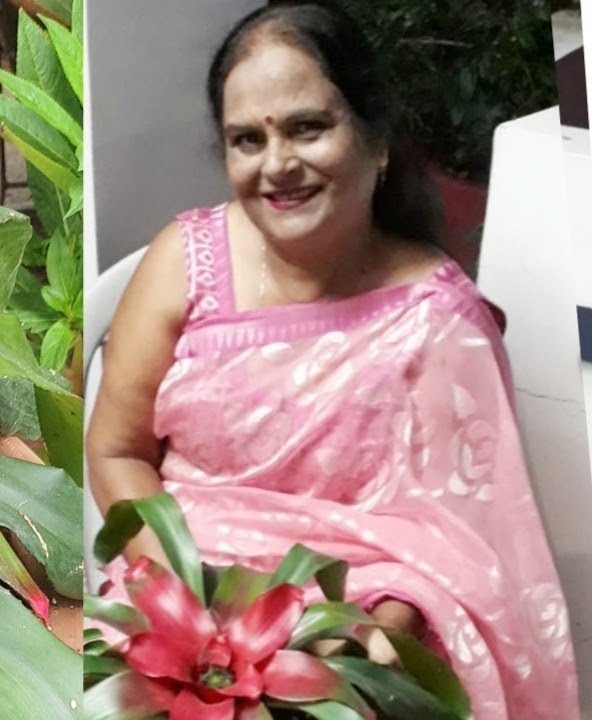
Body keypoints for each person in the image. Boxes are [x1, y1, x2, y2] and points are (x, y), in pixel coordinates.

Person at [85, 2, 578, 717]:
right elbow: (116, 451)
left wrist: (358, 646)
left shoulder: (438, 322)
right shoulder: (183, 262)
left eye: (307, 128)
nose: (278, 164)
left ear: (375, 140)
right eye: (247, 139)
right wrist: (187, 601)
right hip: (181, 603)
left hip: (366, 634)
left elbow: (460, 544)